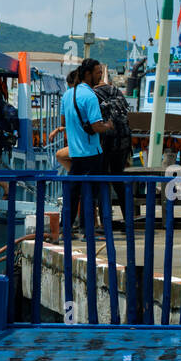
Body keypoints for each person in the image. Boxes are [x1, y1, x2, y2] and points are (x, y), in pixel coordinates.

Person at [50, 58, 112, 237]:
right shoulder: (90, 96)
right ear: (88, 74)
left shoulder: (67, 94)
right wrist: (108, 126)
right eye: (98, 72)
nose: (100, 76)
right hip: (92, 152)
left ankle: (66, 229)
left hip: (75, 152)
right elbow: (95, 127)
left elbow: (64, 121)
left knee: (72, 193)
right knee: (90, 194)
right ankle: (87, 231)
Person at [95, 71, 133, 223]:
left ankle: (105, 221)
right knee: (119, 180)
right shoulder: (116, 91)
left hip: (105, 141)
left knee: (102, 180)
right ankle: (128, 219)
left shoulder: (94, 94)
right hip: (123, 142)